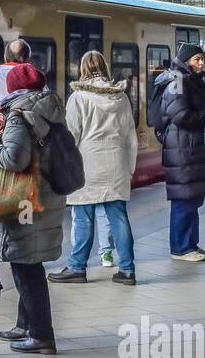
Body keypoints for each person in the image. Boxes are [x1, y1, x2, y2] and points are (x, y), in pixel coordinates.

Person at [0, 63, 67, 354]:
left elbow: (14, 158)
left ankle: (42, 335)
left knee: (26, 268)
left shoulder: (19, 115)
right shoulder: (52, 110)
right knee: (28, 263)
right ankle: (25, 324)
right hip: (46, 197)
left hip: (25, 202)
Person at [48, 51, 138, 285]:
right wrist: (129, 168)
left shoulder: (79, 98)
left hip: (87, 164)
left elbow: (72, 135)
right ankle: (127, 270)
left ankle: (77, 268)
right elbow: (130, 137)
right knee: (118, 217)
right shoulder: (122, 98)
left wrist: (65, 166)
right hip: (116, 162)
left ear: (83, 69)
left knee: (83, 218)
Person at [155, 42, 205, 262]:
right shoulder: (176, 81)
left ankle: (191, 245)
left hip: (189, 148)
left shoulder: (190, 80)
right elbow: (180, 115)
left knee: (192, 198)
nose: (201, 63)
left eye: (202, 59)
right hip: (181, 150)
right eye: (197, 59)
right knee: (183, 199)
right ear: (186, 60)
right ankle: (180, 248)